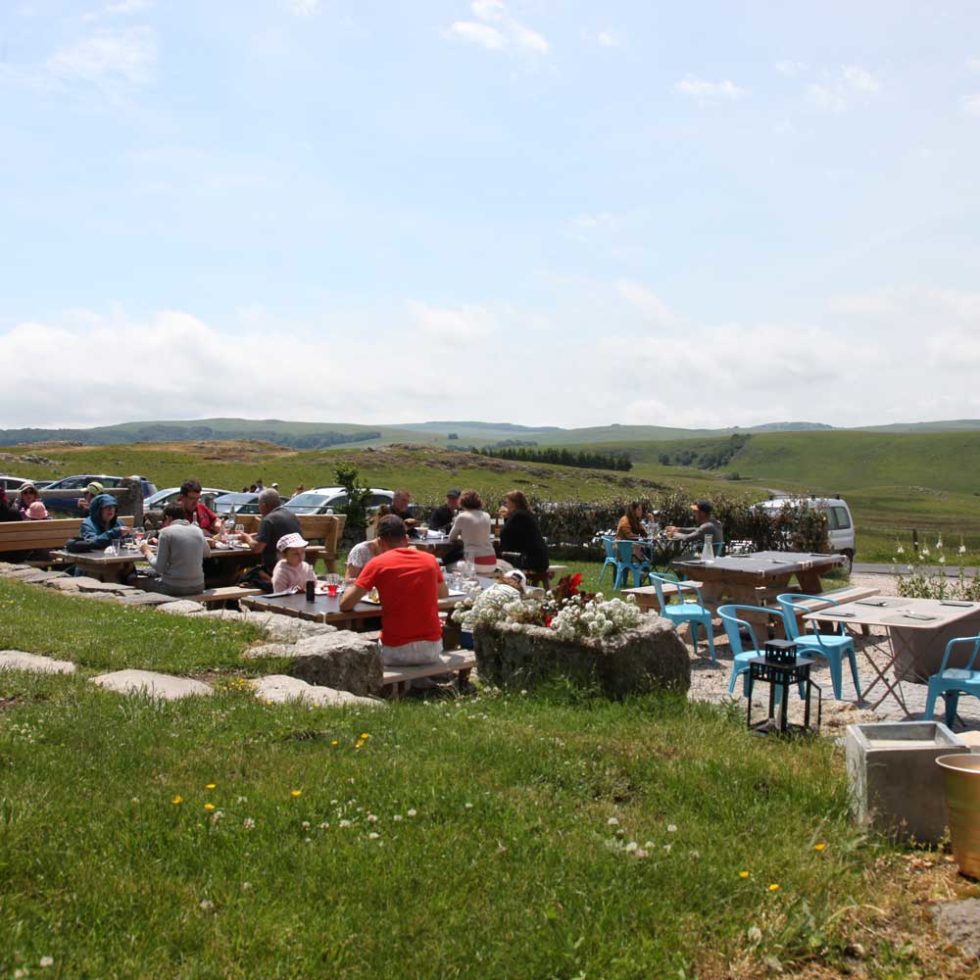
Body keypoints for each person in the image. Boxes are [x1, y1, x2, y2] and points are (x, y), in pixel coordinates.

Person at [340, 515, 448, 665]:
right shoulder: (429, 560)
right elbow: (444, 593)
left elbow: (345, 605)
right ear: (406, 538)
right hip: (431, 650)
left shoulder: (377, 563)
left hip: (396, 651)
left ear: (381, 541)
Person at [138, 503, 210, 596]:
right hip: (198, 586)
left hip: (173, 587)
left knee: (135, 581)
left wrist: (146, 551)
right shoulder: (197, 530)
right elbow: (207, 553)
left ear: (168, 518)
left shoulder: (166, 532)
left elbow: (159, 567)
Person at [239, 488, 302, 592]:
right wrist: (258, 535)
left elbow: (257, 548)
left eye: (259, 505)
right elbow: (277, 534)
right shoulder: (292, 516)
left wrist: (247, 538)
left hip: (276, 568)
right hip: (296, 566)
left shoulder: (269, 519)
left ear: (263, 505)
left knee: (245, 576)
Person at [499, 490, 549, 572]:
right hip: (540, 559)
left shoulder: (518, 515)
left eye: (507, 503)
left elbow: (504, 534)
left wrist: (506, 518)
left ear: (514, 504)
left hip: (530, 560)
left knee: (499, 563)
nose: (506, 505)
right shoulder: (526, 514)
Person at [448, 490, 496, 574]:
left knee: (447, 567)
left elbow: (451, 538)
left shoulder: (462, 516)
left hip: (474, 561)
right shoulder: (486, 515)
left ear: (462, 502)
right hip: (491, 560)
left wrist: (462, 537)